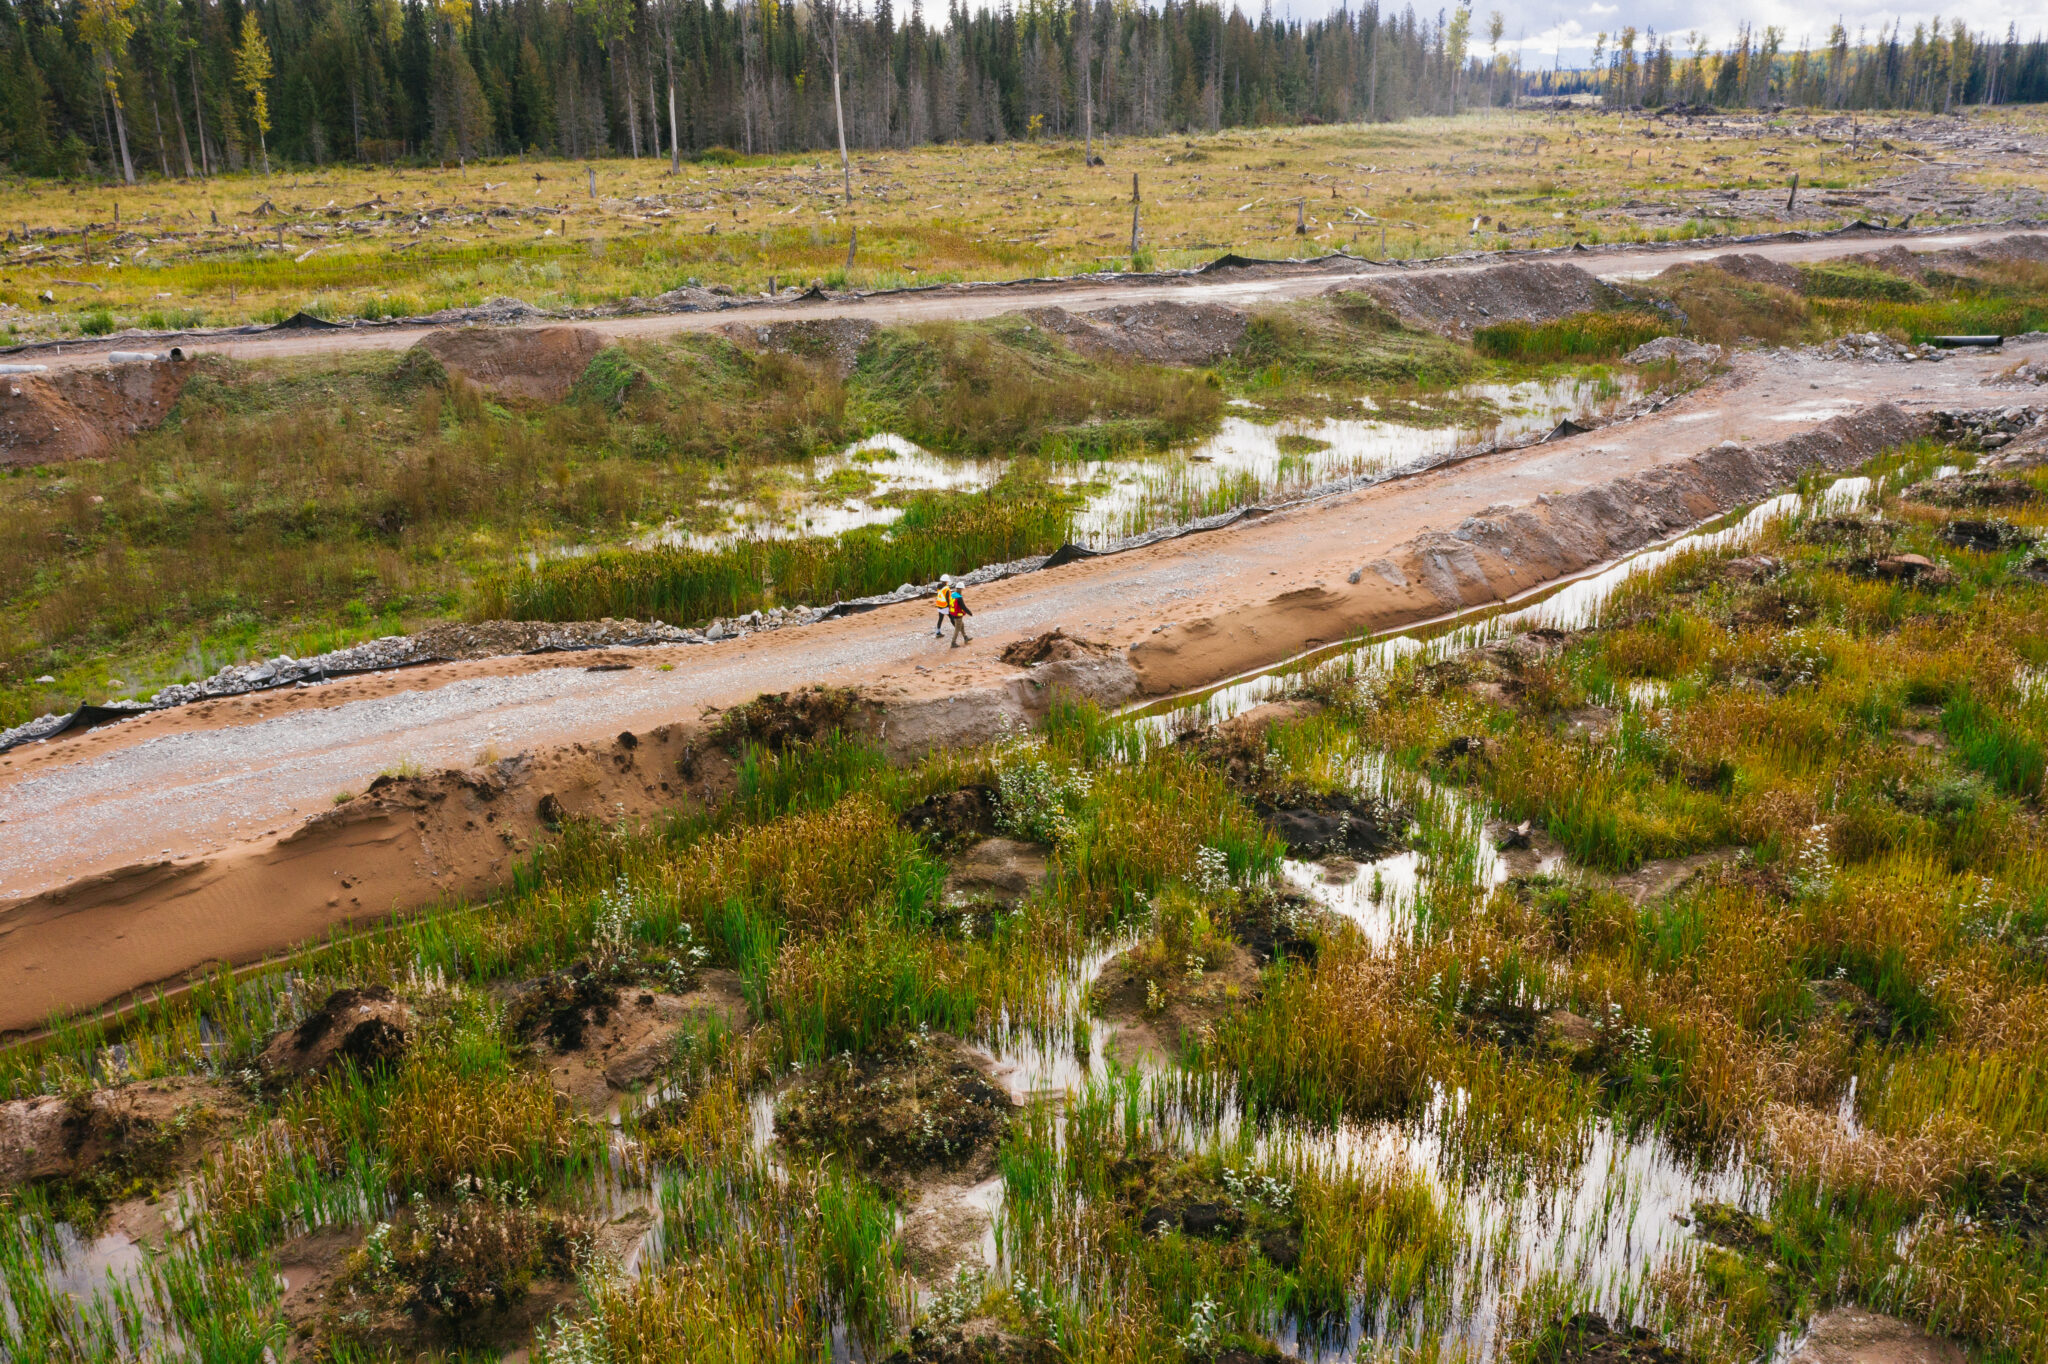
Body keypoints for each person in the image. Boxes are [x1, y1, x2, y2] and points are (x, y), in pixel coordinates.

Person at [943, 577, 973, 647]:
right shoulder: (959, 597)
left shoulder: (953, 594)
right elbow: (963, 607)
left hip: (953, 614)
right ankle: (953, 643)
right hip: (958, 615)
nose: (962, 590)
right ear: (960, 589)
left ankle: (965, 637)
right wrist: (970, 613)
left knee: (961, 625)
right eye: (962, 589)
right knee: (957, 629)